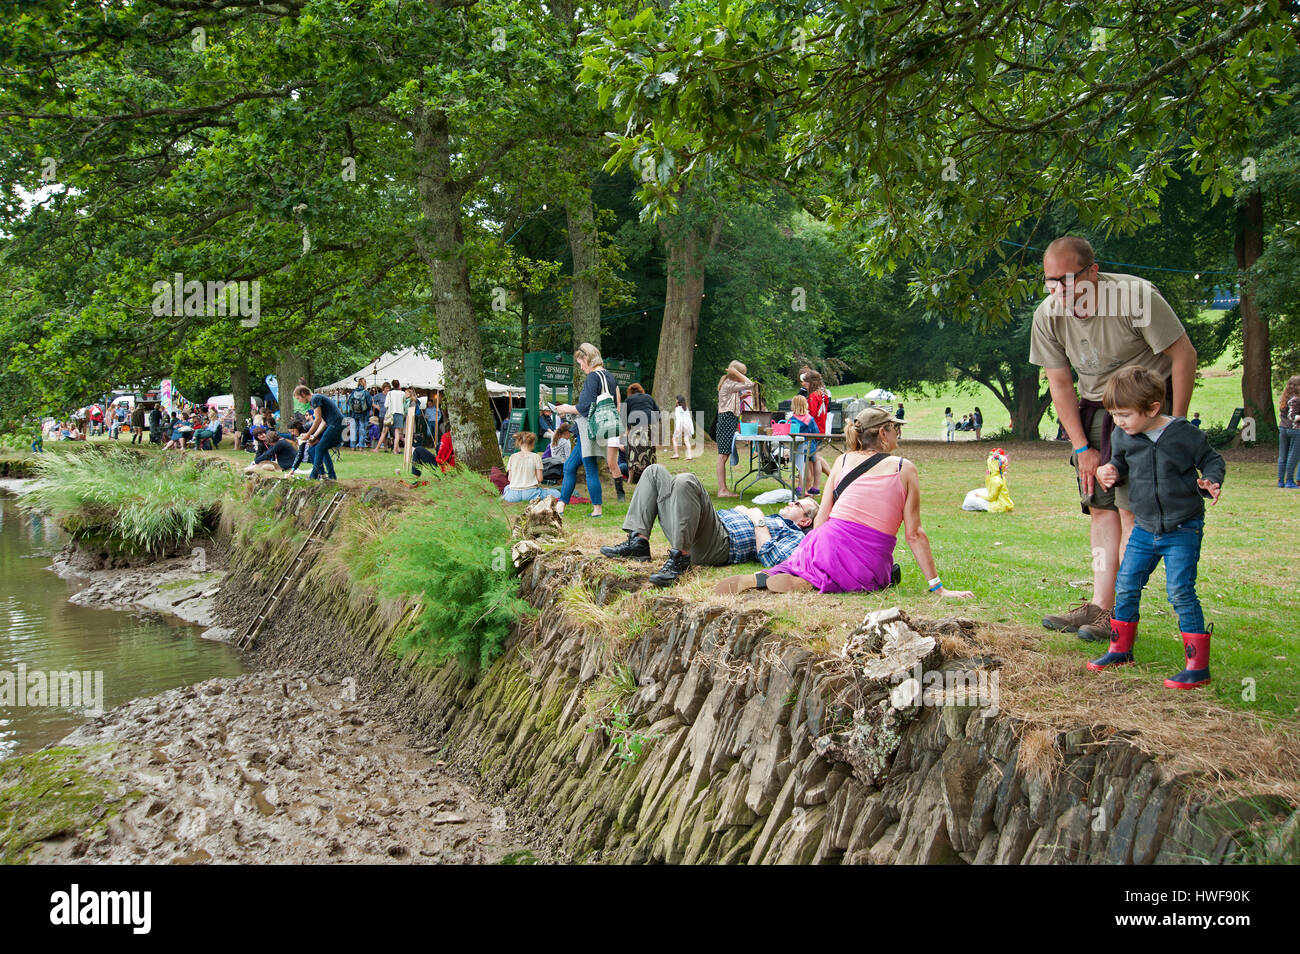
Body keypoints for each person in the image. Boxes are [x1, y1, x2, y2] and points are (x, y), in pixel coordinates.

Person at [1031, 235, 1198, 638]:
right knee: (1101, 508)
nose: (1058, 290)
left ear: (1093, 271)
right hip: (1094, 412)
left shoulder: (1136, 297)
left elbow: (1184, 355)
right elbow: (1060, 384)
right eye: (1050, 281)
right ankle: (1099, 607)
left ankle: (1122, 617)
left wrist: (1174, 426)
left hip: (1145, 410)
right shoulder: (1048, 314)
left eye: (1067, 279)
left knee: (1130, 513)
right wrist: (1082, 447)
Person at [712, 406, 974, 598]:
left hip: (823, 542)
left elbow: (822, 519)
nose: (899, 433)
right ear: (883, 432)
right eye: (897, 428)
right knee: (867, 576)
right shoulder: (904, 469)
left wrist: (812, 552)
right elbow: (914, 534)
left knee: (807, 566)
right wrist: (938, 586)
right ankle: (810, 582)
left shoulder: (843, 461)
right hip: (866, 558)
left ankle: (777, 576)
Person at [1079, 367, 1224, 689]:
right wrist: (1109, 471)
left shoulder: (1184, 434)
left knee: (1180, 591)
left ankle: (1196, 666)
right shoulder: (1123, 435)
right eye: (1113, 415)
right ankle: (1120, 650)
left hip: (1182, 528)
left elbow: (1212, 459)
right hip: (1144, 528)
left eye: (1125, 415)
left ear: (1153, 408)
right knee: (1127, 584)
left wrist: (1212, 480)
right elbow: (1119, 462)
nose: (1118, 422)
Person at [600, 463, 818, 586]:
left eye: (797, 503)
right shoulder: (774, 520)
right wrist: (746, 513)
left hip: (719, 543)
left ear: (805, 520)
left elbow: (774, 560)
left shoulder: (795, 535)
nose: (791, 502)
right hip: (698, 528)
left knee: (686, 480)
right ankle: (638, 542)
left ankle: (680, 561)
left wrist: (757, 519)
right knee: (654, 471)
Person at [554, 343, 619, 517]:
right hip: (600, 427)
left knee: (589, 468)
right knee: (570, 466)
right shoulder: (609, 377)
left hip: (588, 428)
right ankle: (561, 505)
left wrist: (566, 408)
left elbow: (585, 407)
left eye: (581, 362)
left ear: (587, 359)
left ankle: (597, 509)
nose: (581, 367)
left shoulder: (592, 377)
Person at [716, 360, 751, 498]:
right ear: (735, 374)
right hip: (726, 419)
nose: (742, 376)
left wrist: (742, 397)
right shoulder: (729, 384)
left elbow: (730, 400)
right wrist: (736, 372)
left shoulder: (730, 385)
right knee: (723, 455)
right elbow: (750, 384)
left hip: (729, 418)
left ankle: (723, 489)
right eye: (741, 374)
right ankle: (722, 490)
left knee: (724, 455)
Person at [295, 384, 344, 480]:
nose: (299, 401)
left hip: (336, 425)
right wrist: (314, 436)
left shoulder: (315, 399)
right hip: (334, 424)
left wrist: (308, 435)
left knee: (319, 448)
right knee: (317, 448)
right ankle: (330, 476)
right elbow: (323, 422)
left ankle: (313, 476)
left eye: (298, 398)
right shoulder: (316, 399)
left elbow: (317, 420)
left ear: (303, 394)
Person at [502, 431, 561, 502]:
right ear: (532, 443)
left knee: (507, 488)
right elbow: (540, 479)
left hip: (513, 496)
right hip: (531, 494)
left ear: (519, 443)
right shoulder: (536, 457)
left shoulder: (512, 457)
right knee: (555, 492)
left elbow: (510, 479)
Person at [623, 382, 659, 483]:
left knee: (633, 451)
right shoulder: (648, 397)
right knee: (649, 450)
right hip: (650, 424)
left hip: (636, 425)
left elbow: (623, 417)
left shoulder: (629, 399)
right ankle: (650, 477)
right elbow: (658, 413)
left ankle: (630, 479)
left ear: (630, 392)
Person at [788, 394, 817, 495]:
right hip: (811, 445)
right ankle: (806, 487)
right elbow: (816, 432)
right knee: (809, 468)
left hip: (799, 446)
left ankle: (802, 488)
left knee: (802, 468)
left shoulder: (792, 420)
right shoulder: (810, 419)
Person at [1277, 376, 1300, 488]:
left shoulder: (1285, 398)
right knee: (1293, 456)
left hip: (1283, 428)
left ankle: (1280, 480)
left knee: (1282, 456)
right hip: (1295, 430)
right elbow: (1292, 416)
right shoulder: (1296, 399)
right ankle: (1289, 481)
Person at [347, 377, 370, 450]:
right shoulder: (365, 392)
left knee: (353, 429)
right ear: (364, 383)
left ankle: (353, 446)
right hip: (363, 414)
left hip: (354, 414)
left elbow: (348, 402)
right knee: (362, 429)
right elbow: (369, 403)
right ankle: (361, 446)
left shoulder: (354, 392)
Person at [671, 395, 695, 460]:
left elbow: (678, 419)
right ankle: (689, 455)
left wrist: (678, 428)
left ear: (678, 400)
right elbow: (689, 418)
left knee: (674, 439)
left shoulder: (677, 409)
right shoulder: (686, 408)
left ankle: (676, 454)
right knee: (686, 440)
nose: (675, 400)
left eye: (676, 399)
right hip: (687, 425)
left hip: (680, 424)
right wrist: (691, 428)